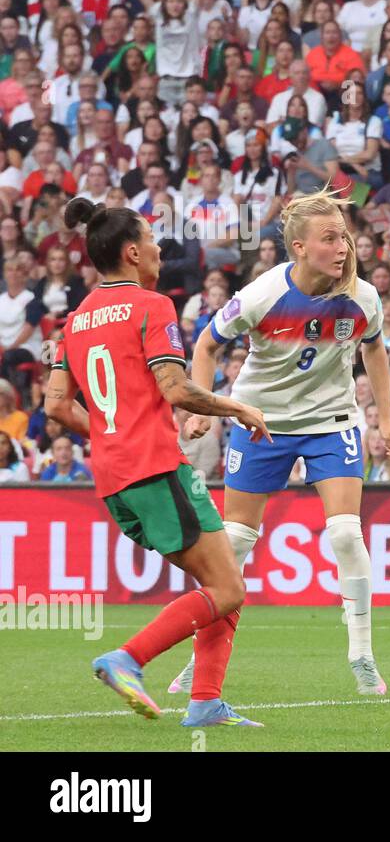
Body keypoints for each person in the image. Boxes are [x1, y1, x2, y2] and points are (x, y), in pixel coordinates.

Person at [44, 198, 271, 728]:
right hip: (154, 468)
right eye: (150, 239)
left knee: (221, 586)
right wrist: (234, 405)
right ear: (130, 252)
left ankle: (206, 703)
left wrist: (107, 430)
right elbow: (174, 386)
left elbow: (56, 404)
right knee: (228, 588)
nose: (158, 248)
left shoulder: (73, 322)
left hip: (113, 480)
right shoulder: (152, 306)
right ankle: (126, 660)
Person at [180, 189, 390, 697]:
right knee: (233, 544)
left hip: (332, 420)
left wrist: (385, 419)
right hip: (262, 421)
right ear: (299, 248)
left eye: (343, 236)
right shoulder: (262, 296)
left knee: (346, 534)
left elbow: (375, 352)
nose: (342, 247)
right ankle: (200, 661)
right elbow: (207, 344)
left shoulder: (363, 296)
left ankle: (363, 654)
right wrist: (200, 408)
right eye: (329, 239)